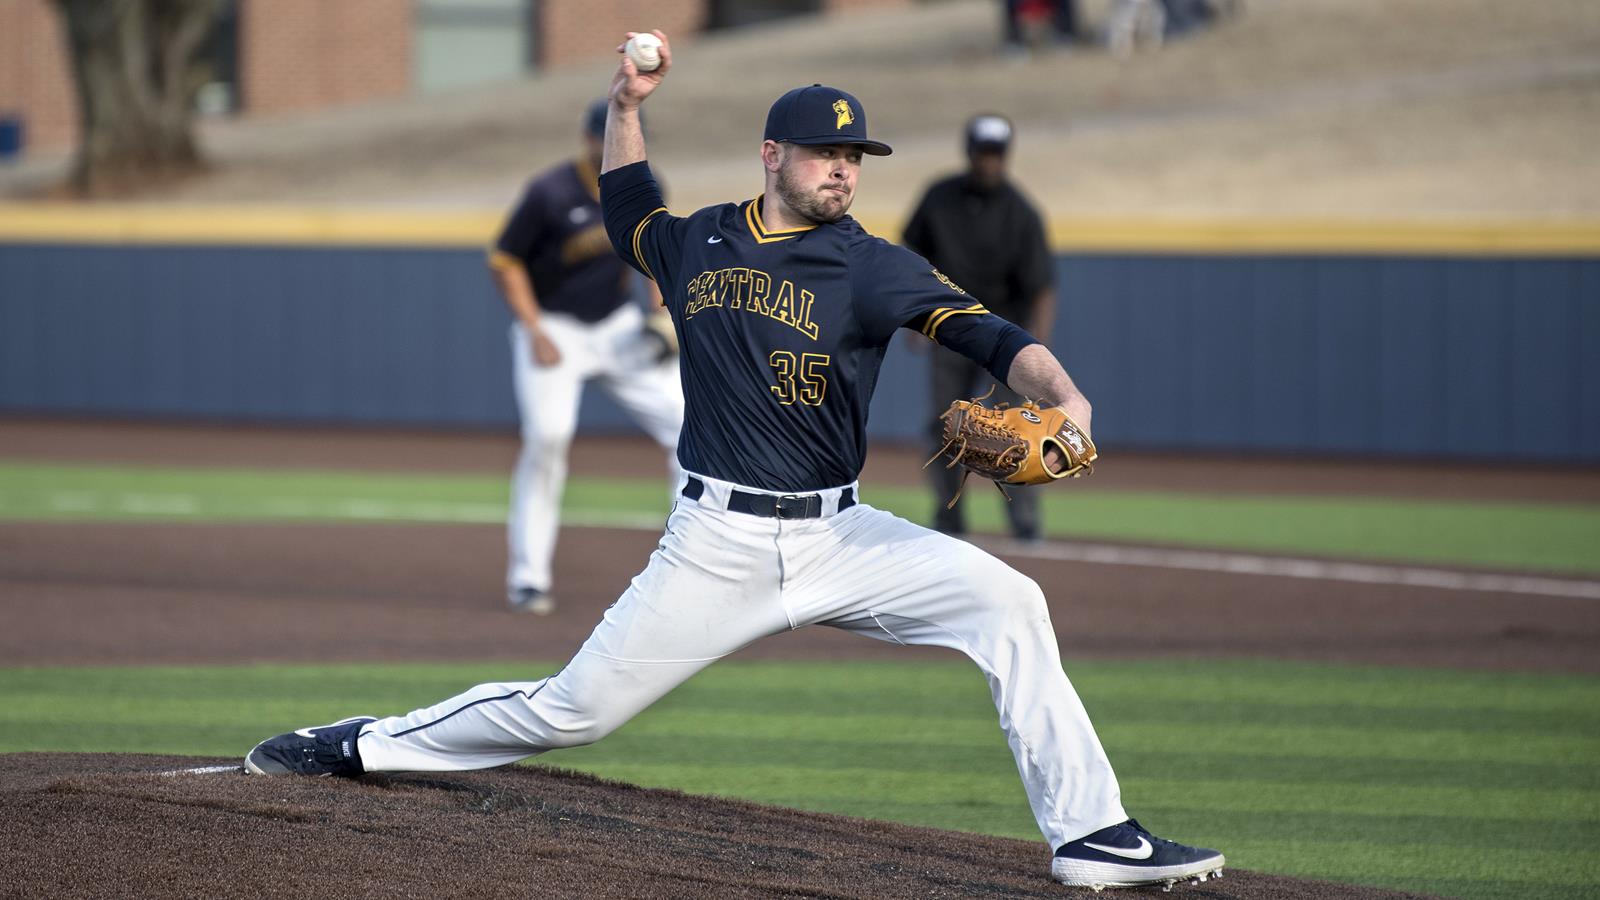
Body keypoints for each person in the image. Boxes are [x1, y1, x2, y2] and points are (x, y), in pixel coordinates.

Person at [244, 32, 1225, 891]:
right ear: (772, 155)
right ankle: (362, 744)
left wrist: (1064, 394)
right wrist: (628, 106)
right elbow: (626, 199)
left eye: (854, 153)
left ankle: (1092, 835)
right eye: (823, 152)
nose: (842, 168)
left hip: (845, 536)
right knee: (572, 711)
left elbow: (990, 334)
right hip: (717, 541)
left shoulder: (872, 264)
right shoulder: (697, 241)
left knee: (1012, 604)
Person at [487, 99, 685, 615]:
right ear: (589, 137)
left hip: (617, 326)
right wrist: (534, 330)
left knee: (690, 426)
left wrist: (662, 311)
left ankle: (692, 563)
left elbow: (652, 253)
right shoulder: (549, 191)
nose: (614, 144)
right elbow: (506, 260)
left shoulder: (644, 184)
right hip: (554, 325)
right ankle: (528, 579)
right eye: (607, 135)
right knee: (547, 441)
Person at [903, 113, 1055, 542]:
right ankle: (948, 518)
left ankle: (1024, 522)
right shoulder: (939, 197)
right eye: (984, 152)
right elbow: (910, 254)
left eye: (997, 154)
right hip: (947, 328)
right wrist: (913, 319)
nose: (990, 161)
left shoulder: (1020, 212)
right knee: (944, 426)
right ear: (969, 152)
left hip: (1004, 336)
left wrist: (1036, 354)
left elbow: (1042, 286)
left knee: (1014, 432)